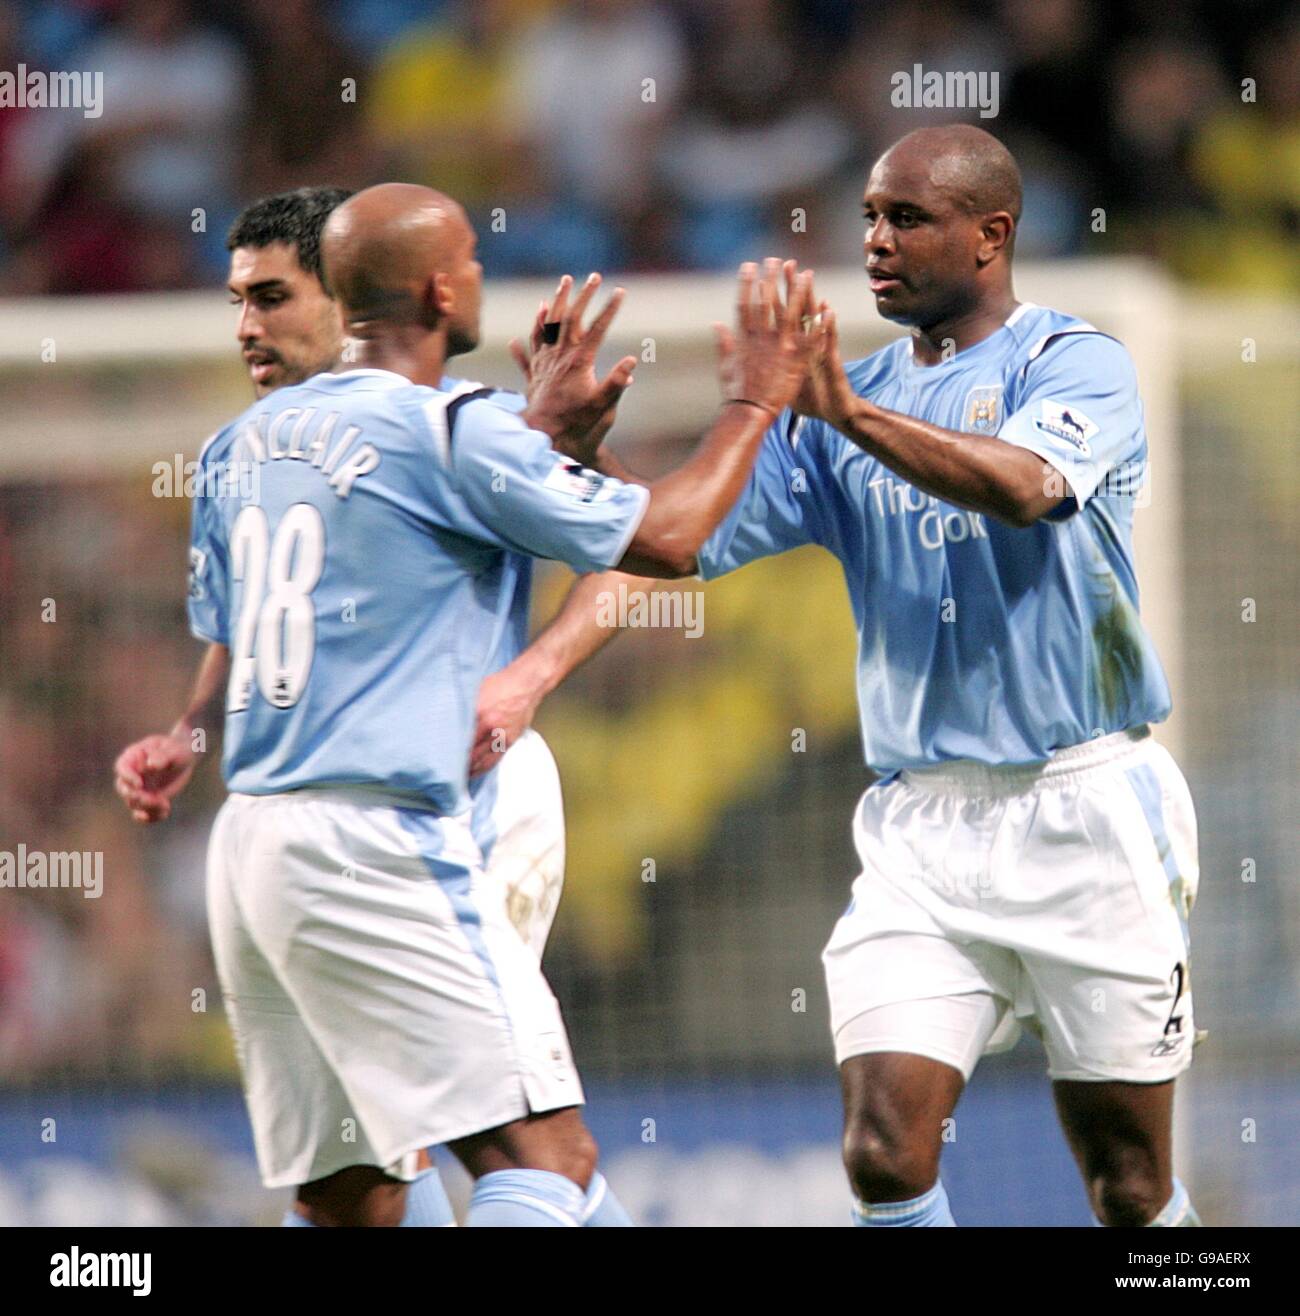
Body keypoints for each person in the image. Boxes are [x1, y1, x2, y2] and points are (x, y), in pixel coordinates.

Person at [122, 178, 816, 1226]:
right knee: (546, 1160)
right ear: (444, 289)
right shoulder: (456, 427)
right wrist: (756, 398)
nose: (247, 323)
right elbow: (671, 540)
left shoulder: (236, 447)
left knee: (350, 1196)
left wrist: (185, 727)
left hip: (253, 839)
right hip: (382, 835)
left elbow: (258, 607)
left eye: (267, 294)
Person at [646, 124, 1202, 1228]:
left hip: (1084, 806)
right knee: (883, 1152)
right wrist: (560, 448)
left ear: (991, 234)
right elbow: (675, 539)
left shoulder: (1071, 360)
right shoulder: (836, 403)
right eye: (868, 217)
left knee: (1127, 1187)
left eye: (906, 217)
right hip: (920, 829)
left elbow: (1028, 486)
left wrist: (845, 415)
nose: (875, 241)